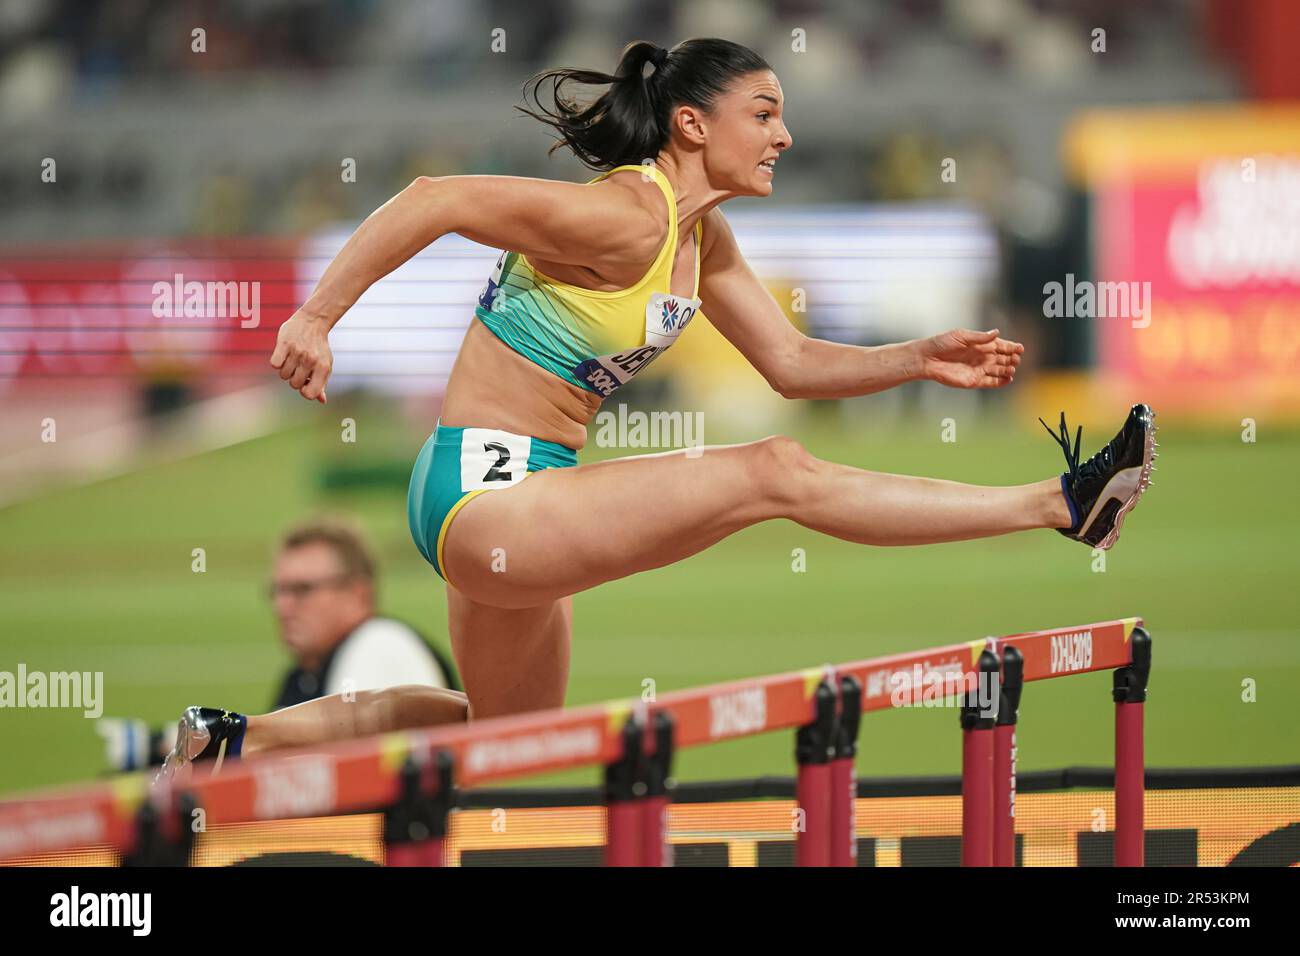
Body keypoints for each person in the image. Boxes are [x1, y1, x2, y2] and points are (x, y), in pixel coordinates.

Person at [157, 38, 1155, 780]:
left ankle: (229, 742)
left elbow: (793, 362)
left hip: (524, 496)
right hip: (475, 490)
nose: (784, 133)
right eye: (762, 112)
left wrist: (917, 356)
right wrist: (317, 316)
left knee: (502, 741)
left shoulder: (699, 240)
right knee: (775, 470)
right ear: (692, 124)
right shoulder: (624, 214)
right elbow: (431, 196)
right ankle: (1059, 504)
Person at [99, 519, 459, 773]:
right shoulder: (302, 675)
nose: (282, 607)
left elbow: (345, 775)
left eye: (302, 590)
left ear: (358, 592)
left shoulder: (381, 644)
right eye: (278, 591)